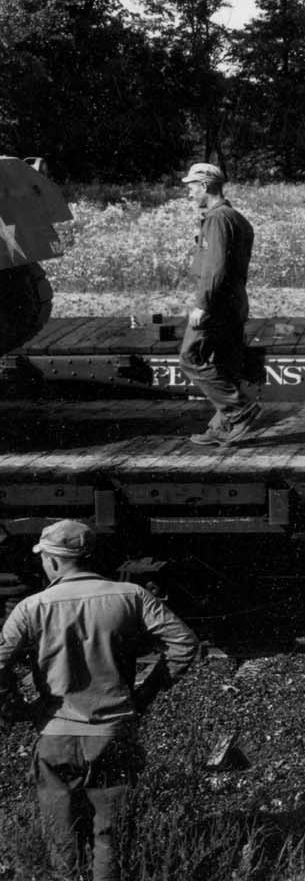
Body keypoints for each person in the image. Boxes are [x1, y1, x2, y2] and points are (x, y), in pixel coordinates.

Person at [0, 519, 199, 881]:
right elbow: (184, 644)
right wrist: (144, 693)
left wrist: (17, 708)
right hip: (113, 733)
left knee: (61, 838)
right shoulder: (131, 595)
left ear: (54, 561)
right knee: (110, 835)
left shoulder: (31, 608)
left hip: (56, 735)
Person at [178, 162, 260, 446]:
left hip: (217, 305)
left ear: (205, 186)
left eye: (191, 187)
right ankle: (222, 427)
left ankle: (238, 410)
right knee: (223, 365)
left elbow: (216, 267)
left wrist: (202, 304)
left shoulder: (217, 219)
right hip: (234, 303)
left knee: (191, 357)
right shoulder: (235, 217)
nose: (189, 192)